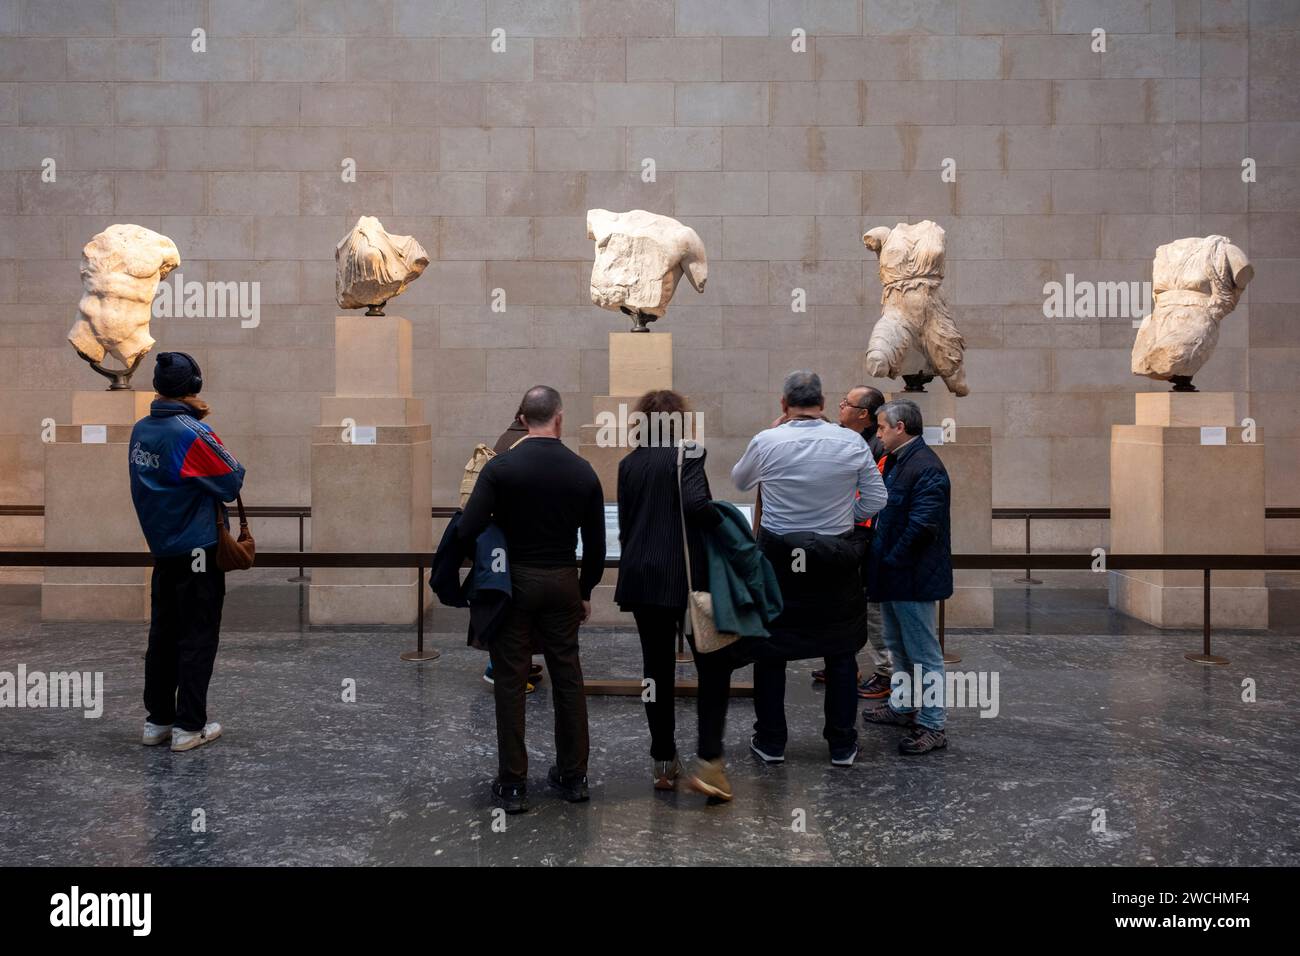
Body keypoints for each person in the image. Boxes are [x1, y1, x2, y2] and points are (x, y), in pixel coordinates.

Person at [458, 386, 606, 813]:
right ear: (559, 419)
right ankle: (573, 777)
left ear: (522, 419)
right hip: (562, 579)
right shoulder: (582, 471)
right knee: (568, 677)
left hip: (514, 582)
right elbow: (594, 546)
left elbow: (468, 527)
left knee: (510, 679)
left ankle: (513, 784)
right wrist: (585, 590)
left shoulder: (501, 469)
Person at [731, 371, 887, 766]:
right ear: (822, 403)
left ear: (784, 405)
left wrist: (770, 435)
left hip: (779, 561)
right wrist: (842, 518)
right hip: (832, 559)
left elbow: (741, 481)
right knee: (839, 653)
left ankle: (771, 742)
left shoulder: (768, 440)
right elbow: (876, 499)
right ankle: (842, 745)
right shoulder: (851, 441)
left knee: (770, 653)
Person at [128, 352, 245, 753]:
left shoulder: (141, 429)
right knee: (197, 636)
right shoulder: (189, 431)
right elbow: (231, 480)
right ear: (194, 386)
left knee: (163, 635)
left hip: (163, 548)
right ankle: (188, 726)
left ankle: (157, 720)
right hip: (198, 549)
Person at [615, 390, 722, 790]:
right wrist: (722, 521)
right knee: (710, 665)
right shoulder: (689, 454)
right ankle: (709, 760)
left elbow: (626, 524)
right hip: (686, 577)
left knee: (654, 670)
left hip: (643, 577)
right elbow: (697, 505)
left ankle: (663, 761)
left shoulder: (629, 463)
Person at [863, 398, 952, 755]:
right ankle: (903, 706)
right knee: (899, 648)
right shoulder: (899, 462)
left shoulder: (926, 466)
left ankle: (933, 724)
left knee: (924, 653)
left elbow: (922, 526)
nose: (879, 433)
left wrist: (891, 560)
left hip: (911, 576)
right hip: (893, 574)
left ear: (900, 428)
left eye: (882, 427)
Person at [811, 385, 893, 699]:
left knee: (872, 608)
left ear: (863, 414)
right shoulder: (851, 440)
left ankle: (886, 673)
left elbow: (875, 498)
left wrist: (849, 517)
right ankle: (844, 665)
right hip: (849, 537)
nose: (840, 405)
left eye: (846, 402)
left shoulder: (876, 447)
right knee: (844, 604)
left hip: (867, 539)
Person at [481, 407, 544, 693]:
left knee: (511, 606)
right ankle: (500, 670)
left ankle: (518, 664)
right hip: (517, 543)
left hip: (503, 543)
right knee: (514, 610)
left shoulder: (505, 440)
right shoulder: (524, 444)